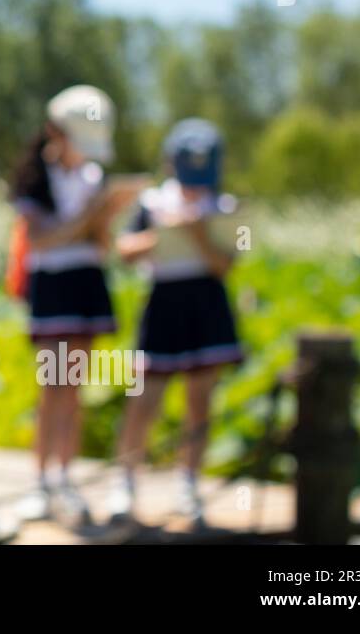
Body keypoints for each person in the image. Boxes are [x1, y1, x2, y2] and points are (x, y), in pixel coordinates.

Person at [108, 119, 243, 525]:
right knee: (144, 398)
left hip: (206, 302)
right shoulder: (152, 204)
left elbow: (225, 265)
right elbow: (125, 250)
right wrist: (163, 233)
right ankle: (126, 482)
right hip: (163, 303)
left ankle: (189, 484)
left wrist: (198, 234)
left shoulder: (224, 208)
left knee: (199, 400)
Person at [10, 85, 135, 522]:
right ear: (54, 132)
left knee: (73, 388)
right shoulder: (31, 181)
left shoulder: (94, 178)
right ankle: (41, 482)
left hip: (85, 284)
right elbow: (40, 238)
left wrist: (105, 216)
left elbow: (101, 246)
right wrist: (85, 217)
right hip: (51, 287)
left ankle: (64, 478)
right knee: (52, 386)